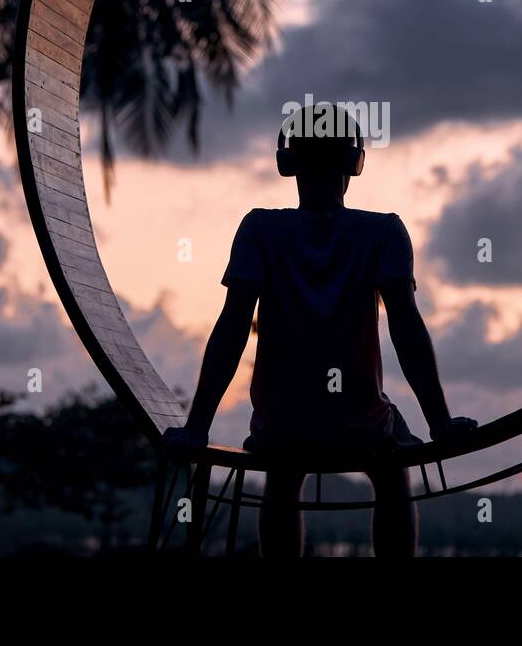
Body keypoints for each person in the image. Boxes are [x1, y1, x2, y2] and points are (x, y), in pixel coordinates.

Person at [163, 102, 476, 556]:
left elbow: (231, 328)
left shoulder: (259, 229)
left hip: (281, 426)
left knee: (282, 478)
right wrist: (441, 423)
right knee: (393, 473)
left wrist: (197, 428)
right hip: (361, 424)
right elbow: (406, 328)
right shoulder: (384, 232)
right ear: (355, 162)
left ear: (286, 164)